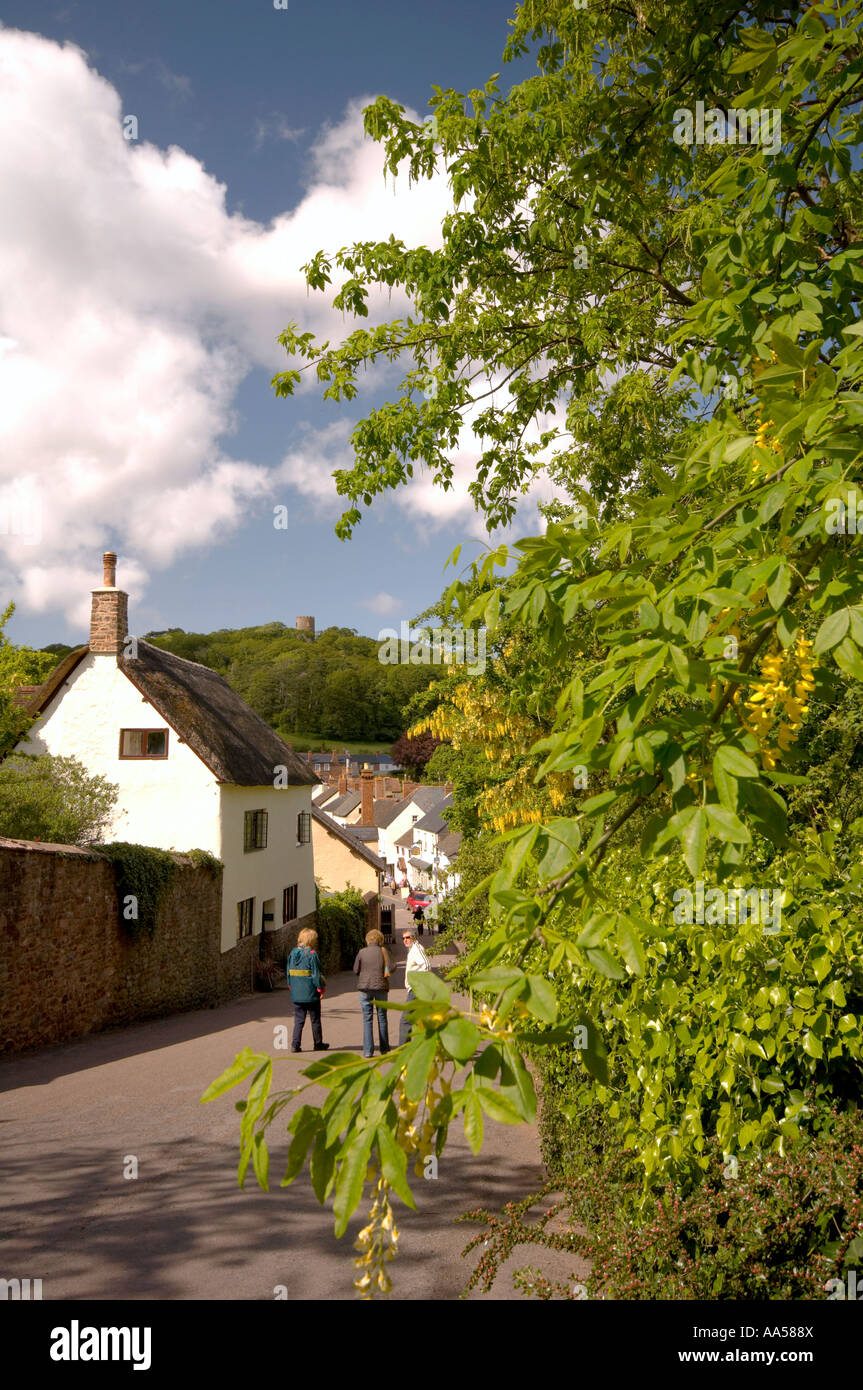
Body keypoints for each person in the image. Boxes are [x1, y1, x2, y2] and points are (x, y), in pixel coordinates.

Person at [286, 927, 329, 1053]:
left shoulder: (292, 953)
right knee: (315, 1019)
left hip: (297, 993)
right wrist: (320, 989)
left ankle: (295, 1044)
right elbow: (316, 975)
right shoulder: (312, 954)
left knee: (299, 1020)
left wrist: (291, 987)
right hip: (311, 993)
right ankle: (318, 1043)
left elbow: (288, 974)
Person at [353, 928, 393, 1058]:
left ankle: (368, 1051)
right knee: (382, 1017)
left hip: (364, 988)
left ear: (368, 939)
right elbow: (392, 967)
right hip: (381, 987)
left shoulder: (362, 952)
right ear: (380, 939)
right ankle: (384, 1048)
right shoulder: (383, 951)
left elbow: (355, 969)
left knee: (367, 1018)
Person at [399, 926, 431, 1046]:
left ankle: (402, 1050)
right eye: (403, 938)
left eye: (408, 937)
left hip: (416, 990)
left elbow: (426, 965)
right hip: (414, 989)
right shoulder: (412, 949)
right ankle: (428, 1045)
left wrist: (420, 984)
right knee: (421, 1019)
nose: (405, 940)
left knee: (405, 1020)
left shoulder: (416, 948)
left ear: (413, 937)